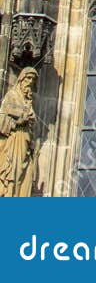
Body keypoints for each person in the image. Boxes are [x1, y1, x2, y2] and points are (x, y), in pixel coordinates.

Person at [0, 68, 38, 198]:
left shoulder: (28, 100)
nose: (30, 82)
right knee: (12, 171)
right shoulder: (12, 95)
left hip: (25, 140)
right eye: (28, 78)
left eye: (32, 80)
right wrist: (18, 121)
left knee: (24, 174)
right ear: (21, 79)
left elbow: (32, 121)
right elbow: (2, 120)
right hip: (14, 139)